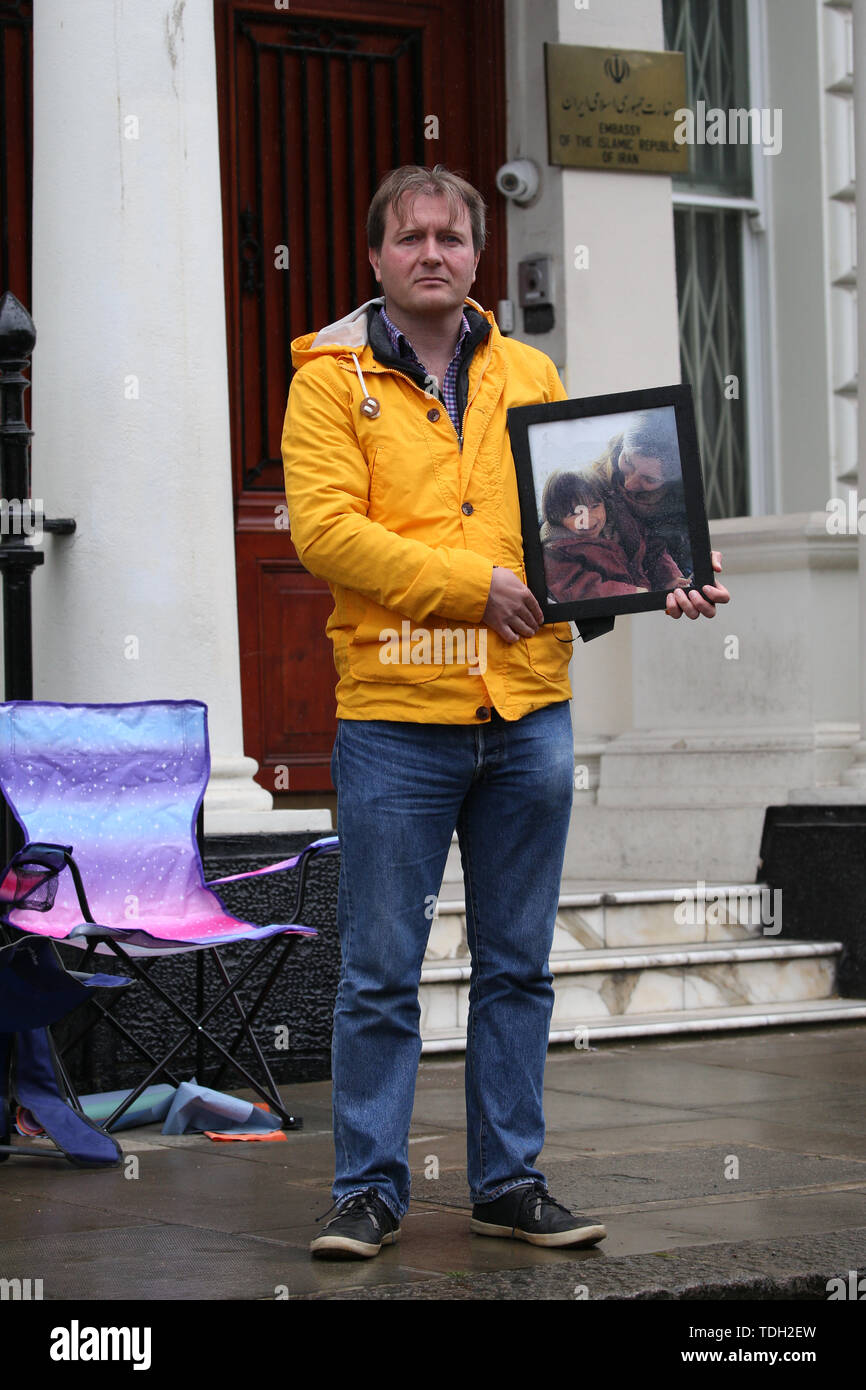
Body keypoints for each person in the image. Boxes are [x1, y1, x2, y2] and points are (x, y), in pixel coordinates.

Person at [281, 164, 730, 1260]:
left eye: (448, 236)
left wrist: (652, 574)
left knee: (518, 964)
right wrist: (466, 586)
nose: (430, 252)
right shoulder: (329, 381)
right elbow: (325, 534)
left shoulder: (530, 371)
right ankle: (368, 1192)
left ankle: (506, 1182)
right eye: (408, 237)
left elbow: (584, 526)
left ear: (477, 255)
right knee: (379, 970)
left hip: (527, 709)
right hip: (395, 712)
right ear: (376, 257)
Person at [540, 469, 687, 602]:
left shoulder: (622, 525)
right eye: (574, 514)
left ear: (604, 503)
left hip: (644, 598)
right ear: (556, 518)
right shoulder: (556, 550)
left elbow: (653, 551)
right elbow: (577, 588)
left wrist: (669, 578)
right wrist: (629, 593)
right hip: (611, 613)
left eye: (594, 506)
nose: (588, 519)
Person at [589, 413, 694, 577]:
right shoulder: (591, 479)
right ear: (623, 445)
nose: (628, 484)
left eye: (649, 479)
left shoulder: (683, 514)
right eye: (628, 462)